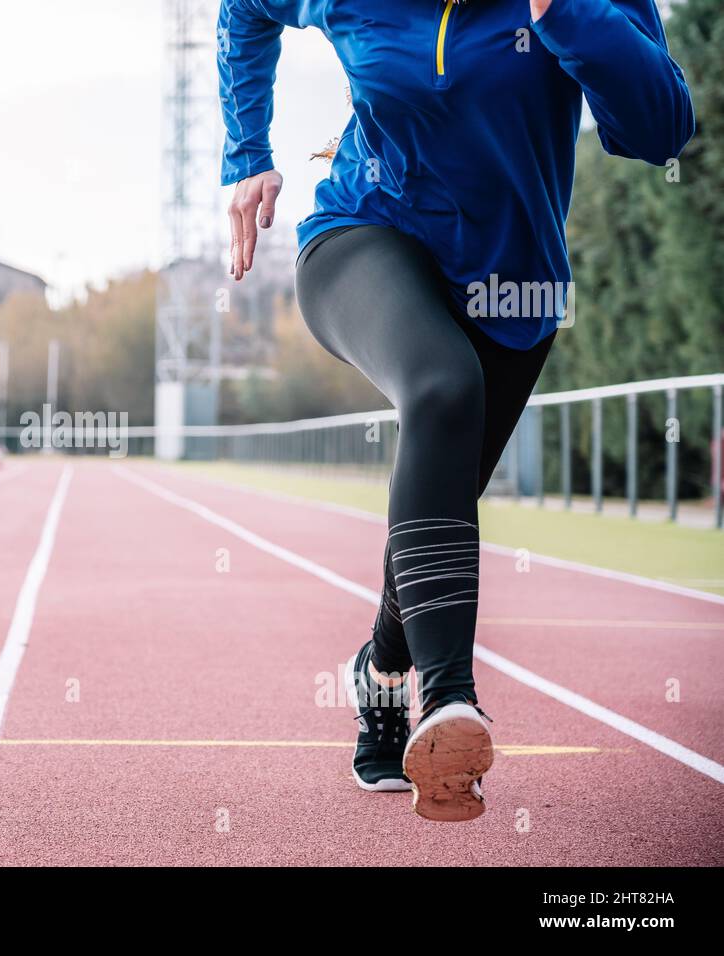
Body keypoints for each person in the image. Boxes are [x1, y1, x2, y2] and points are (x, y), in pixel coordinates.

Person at [218, 0, 693, 821]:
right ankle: (447, 703)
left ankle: (381, 668)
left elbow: (659, 129)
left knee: (440, 503)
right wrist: (245, 151)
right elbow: (244, 9)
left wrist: (564, 13)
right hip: (362, 235)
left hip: (515, 291)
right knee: (442, 387)